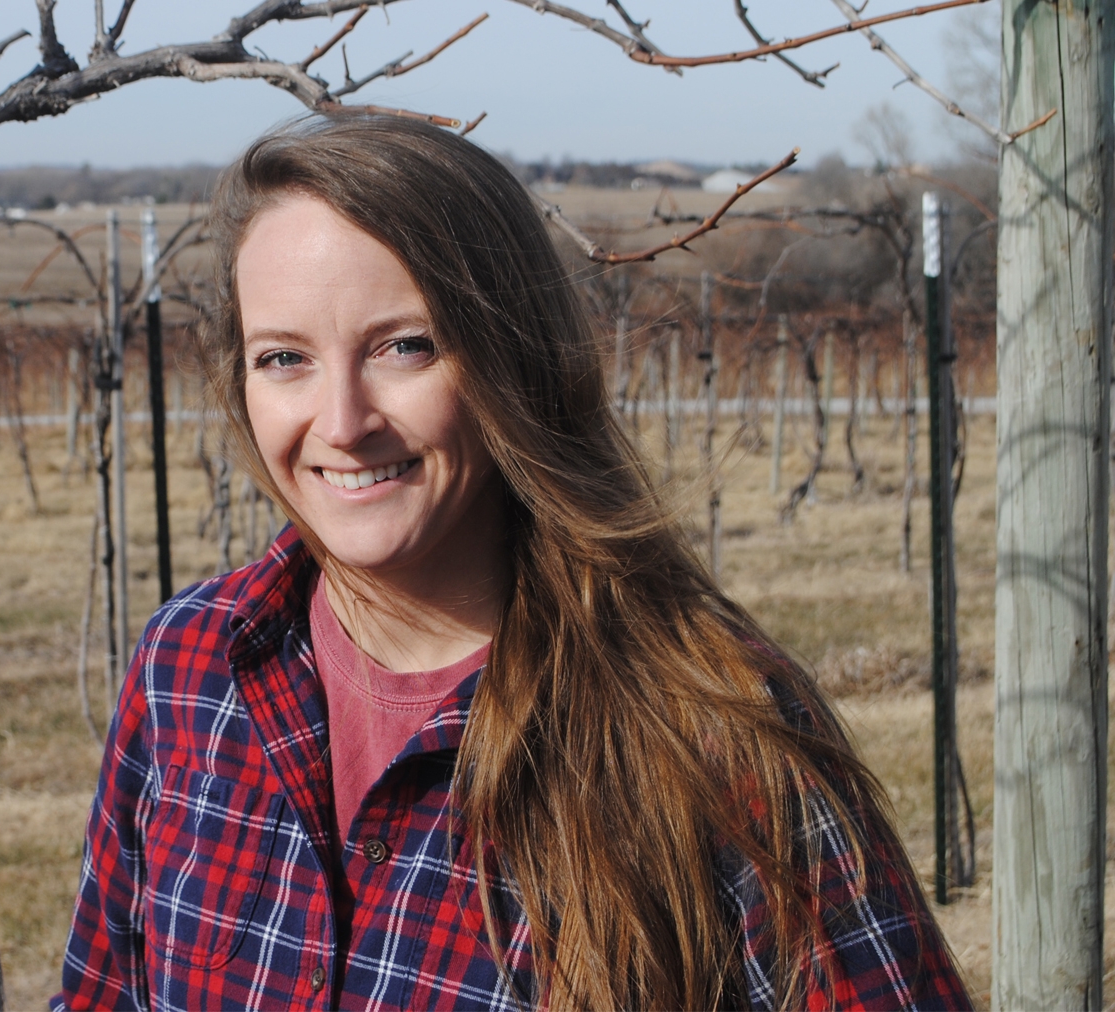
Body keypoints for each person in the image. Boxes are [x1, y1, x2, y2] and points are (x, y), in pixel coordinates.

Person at [53, 114, 967, 1011]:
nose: (341, 421)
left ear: (510, 359)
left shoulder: (708, 731)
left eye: (403, 346)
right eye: (283, 357)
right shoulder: (190, 669)